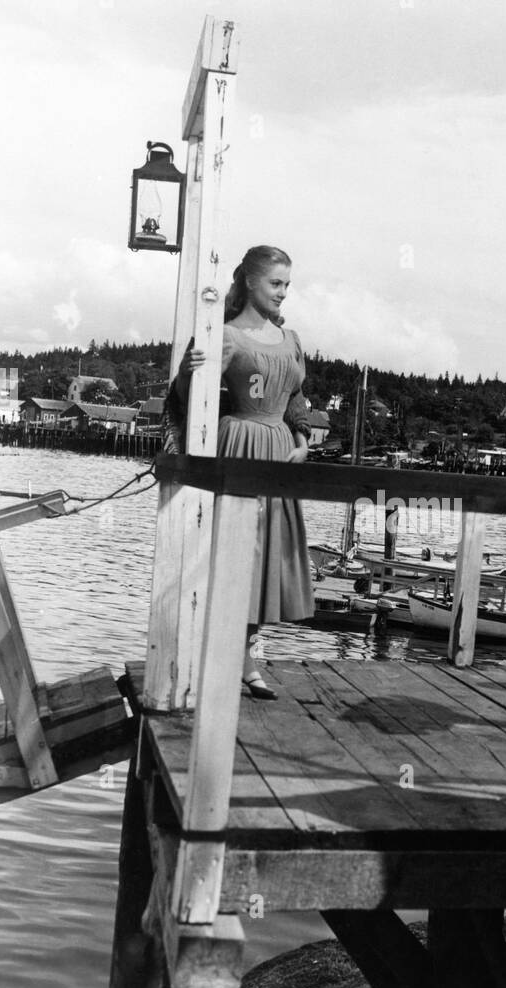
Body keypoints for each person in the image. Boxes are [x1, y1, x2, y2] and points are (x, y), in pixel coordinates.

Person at [167, 244, 315, 700]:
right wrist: (191, 373)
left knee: (268, 557)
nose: (283, 293)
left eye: (288, 285)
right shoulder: (223, 334)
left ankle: (242, 652)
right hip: (240, 445)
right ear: (250, 282)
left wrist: (304, 440)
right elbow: (185, 402)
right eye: (276, 283)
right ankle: (236, 660)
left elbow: (295, 398)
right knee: (234, 555)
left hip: (278, 451)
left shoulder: (290, 341)